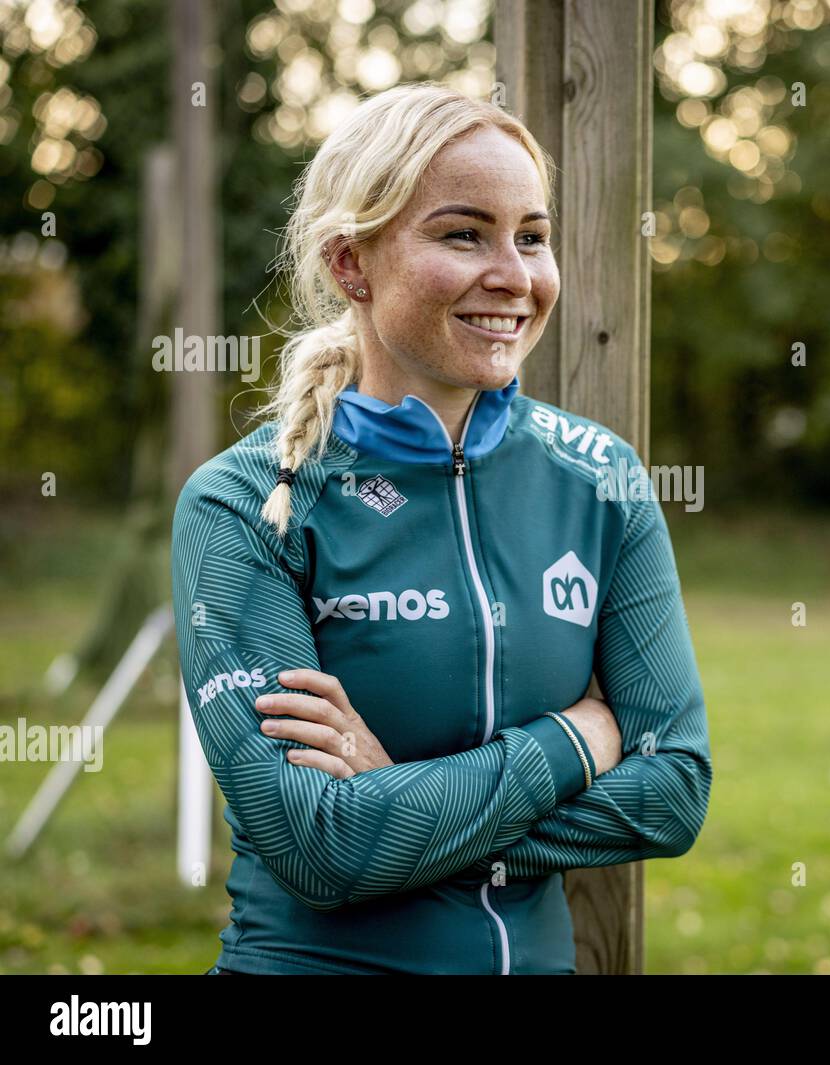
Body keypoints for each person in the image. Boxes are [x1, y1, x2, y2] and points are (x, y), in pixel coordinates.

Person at [171, 81, 711, 974]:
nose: (515, 275)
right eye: (464, 234)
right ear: (352, 264)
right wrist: (574, 741)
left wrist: (396, 808)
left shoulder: (602, 477)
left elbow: (673, 793)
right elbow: (317, 847)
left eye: (532, 237)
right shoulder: (244, 502)